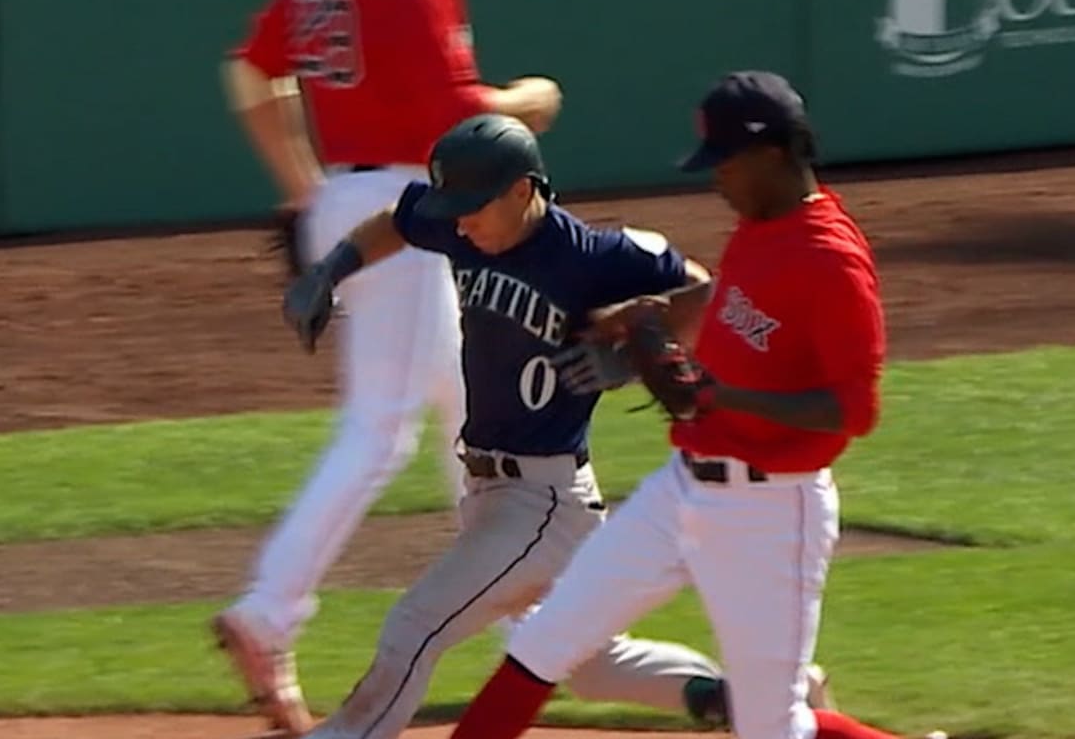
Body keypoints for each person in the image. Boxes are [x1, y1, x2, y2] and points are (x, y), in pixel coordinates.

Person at [446, 72, 943, 739]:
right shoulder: (761, 223)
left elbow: (852, 410)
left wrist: (720, 395)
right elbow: (725, 299)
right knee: (543, 643)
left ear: (771, 156)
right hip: (680, 491)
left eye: (725, 163)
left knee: (774, 727)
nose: (716, 179)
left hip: (773, 513)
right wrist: (645, 313)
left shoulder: (832, 261)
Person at [214, 0, 564, 732]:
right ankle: (269, 610)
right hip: (411, 208)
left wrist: (302, 191)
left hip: (355, 197)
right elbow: (459, 122)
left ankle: (528, 609)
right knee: (381, 428)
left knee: (464, 412)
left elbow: (250, 70)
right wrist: (530, 102)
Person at [277, 112, 746, 739]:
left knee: (416, 627)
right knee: (588, 661)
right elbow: (401, 219)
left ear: (523, 191)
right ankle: (738, 700)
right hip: (501, 495)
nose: (461, 221)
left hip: (543, 504)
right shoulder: (465, 224)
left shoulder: (595, 256)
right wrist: (330, 269)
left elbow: (711, 293)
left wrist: (634, 343)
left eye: (473, 207)